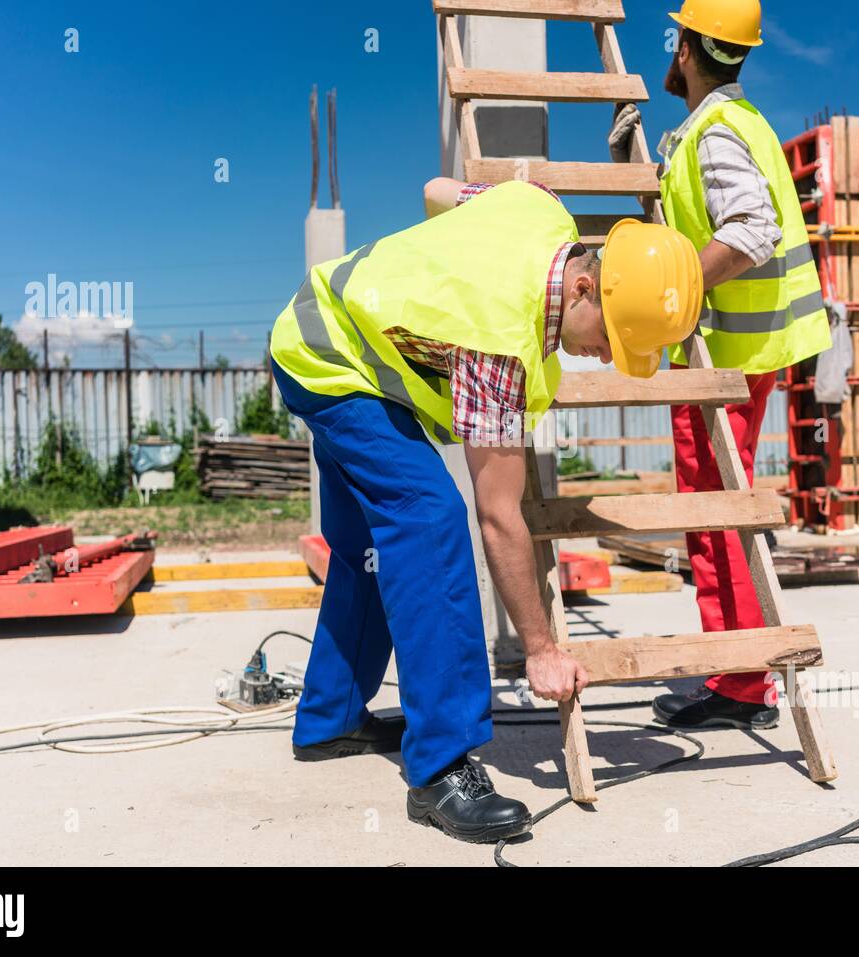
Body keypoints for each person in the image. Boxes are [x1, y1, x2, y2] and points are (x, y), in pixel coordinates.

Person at [268, 178, 702, 842]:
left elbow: (438, 190)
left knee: (367, 550)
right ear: (585, 288)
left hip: (325, 330)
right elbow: (497, 515)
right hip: (331, 359)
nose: (608, 356)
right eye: (613, 338)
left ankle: (331, 718)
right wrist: (540, 649)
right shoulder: (499, 334)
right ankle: (441, 766)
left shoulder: (539, 207)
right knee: (429, 516)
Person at [611, 0, 831, 732]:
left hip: (722, 358)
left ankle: (739, 682)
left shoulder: (714, 133)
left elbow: (751, 229)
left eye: (675, 40)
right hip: (738, 353)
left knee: (713, 515)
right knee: (718, 513)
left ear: (687, 50)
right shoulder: (723, 127)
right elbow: (691, 229)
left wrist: (678, 293)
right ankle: (736, 671)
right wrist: (632, 171)